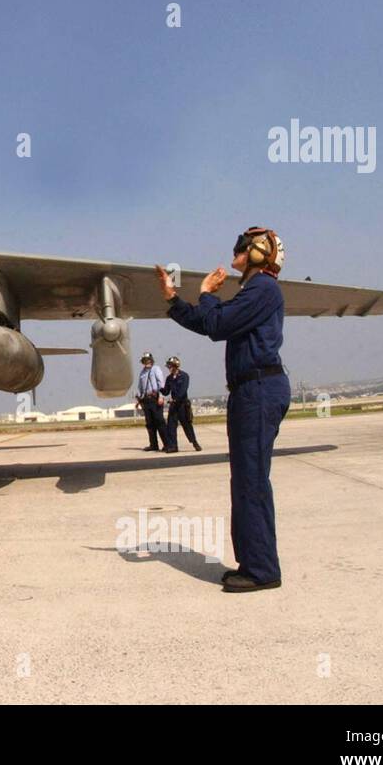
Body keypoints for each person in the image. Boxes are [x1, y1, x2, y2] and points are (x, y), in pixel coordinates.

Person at [155, 227, 291, 593]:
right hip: (251, 390)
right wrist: (173, 300)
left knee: (251, 481)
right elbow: (207, 322)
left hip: (258, 389)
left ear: (259, 254)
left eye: (240, 247)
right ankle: (254, 563)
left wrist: (204, 294)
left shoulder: (263, 288)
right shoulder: (253, 291)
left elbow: (216, 324)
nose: (234, 252)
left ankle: (262, 570)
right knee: (247, 480)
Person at [161, 356, 201, 453]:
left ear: (176, 366)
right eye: (169, 366)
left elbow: (183, 390)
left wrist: (175, 399)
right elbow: (166, 392)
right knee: (171, 426)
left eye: (171, 366)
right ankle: (173, 446)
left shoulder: (184, 376)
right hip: (174, 406)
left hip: (182, 405)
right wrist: (159, 388)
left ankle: (194, 442)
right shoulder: (169, 378)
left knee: (187, 425)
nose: (169, 368)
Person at [134, 352, 167, 451]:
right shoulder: (142, 372)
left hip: (155, 398)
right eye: (144, 360)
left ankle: (167, 444)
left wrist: (161, 396)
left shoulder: (156, 369)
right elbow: (140, 387)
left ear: (151, 360)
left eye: (147, 359)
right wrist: (139, 400)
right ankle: (153, 444)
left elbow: (161, 384)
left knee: (159, 422)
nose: (146, 361)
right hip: (146, 400)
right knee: (149, 424)